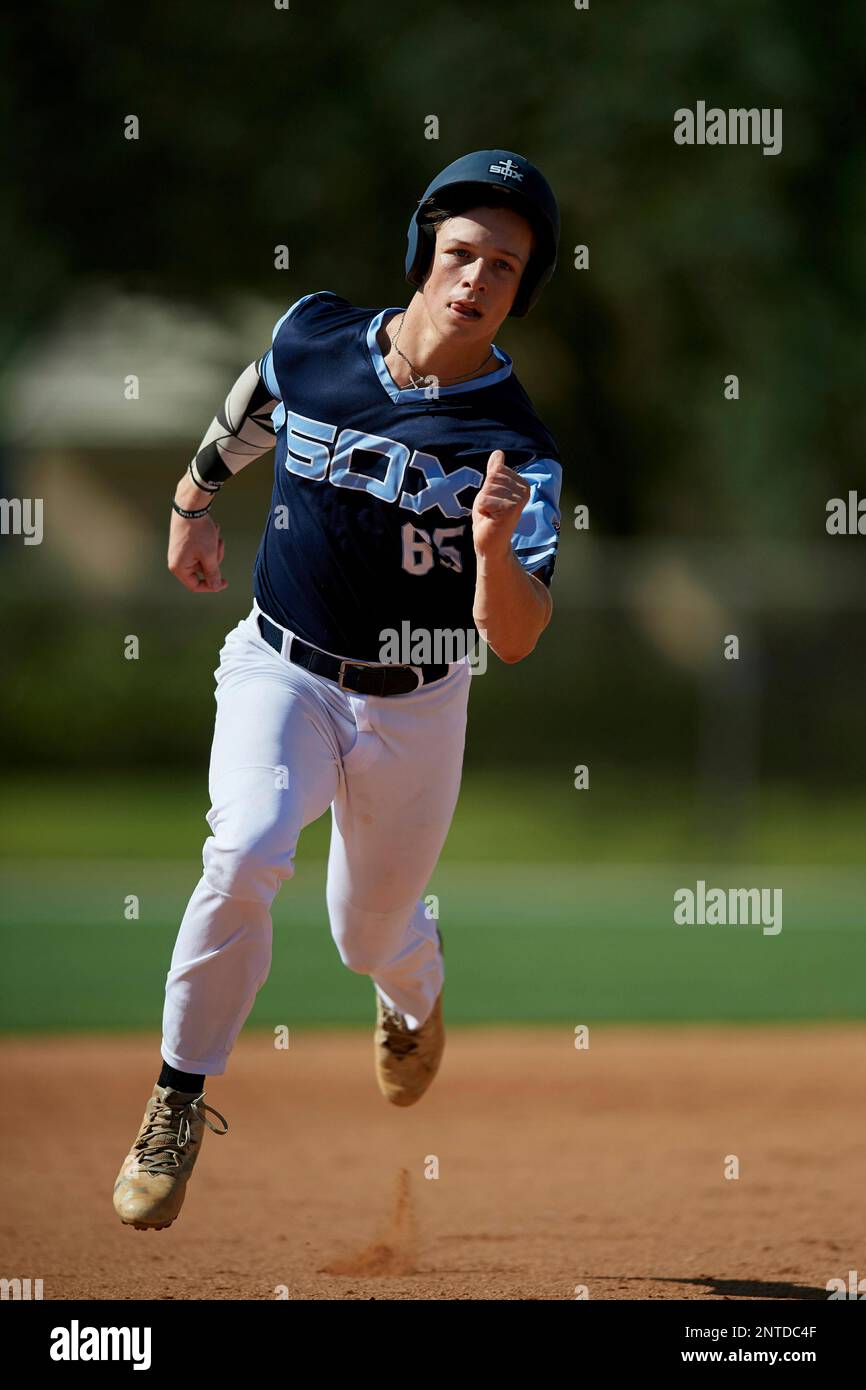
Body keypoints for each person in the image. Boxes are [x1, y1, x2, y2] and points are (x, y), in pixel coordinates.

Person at [113, 149, 563, 1231]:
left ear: (518, 289)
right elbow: (254, 401)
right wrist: (188, 498)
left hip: (417, 700)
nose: (475, 278)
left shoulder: (517, 449)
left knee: (367, 933)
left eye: (503, 266)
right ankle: (177, 1096)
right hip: (282, 664)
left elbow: (514, 639)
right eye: (461, 251)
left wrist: (495, 550)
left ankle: (414, 987)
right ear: (424, 250)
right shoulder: (315, 334)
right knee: (248, 844)